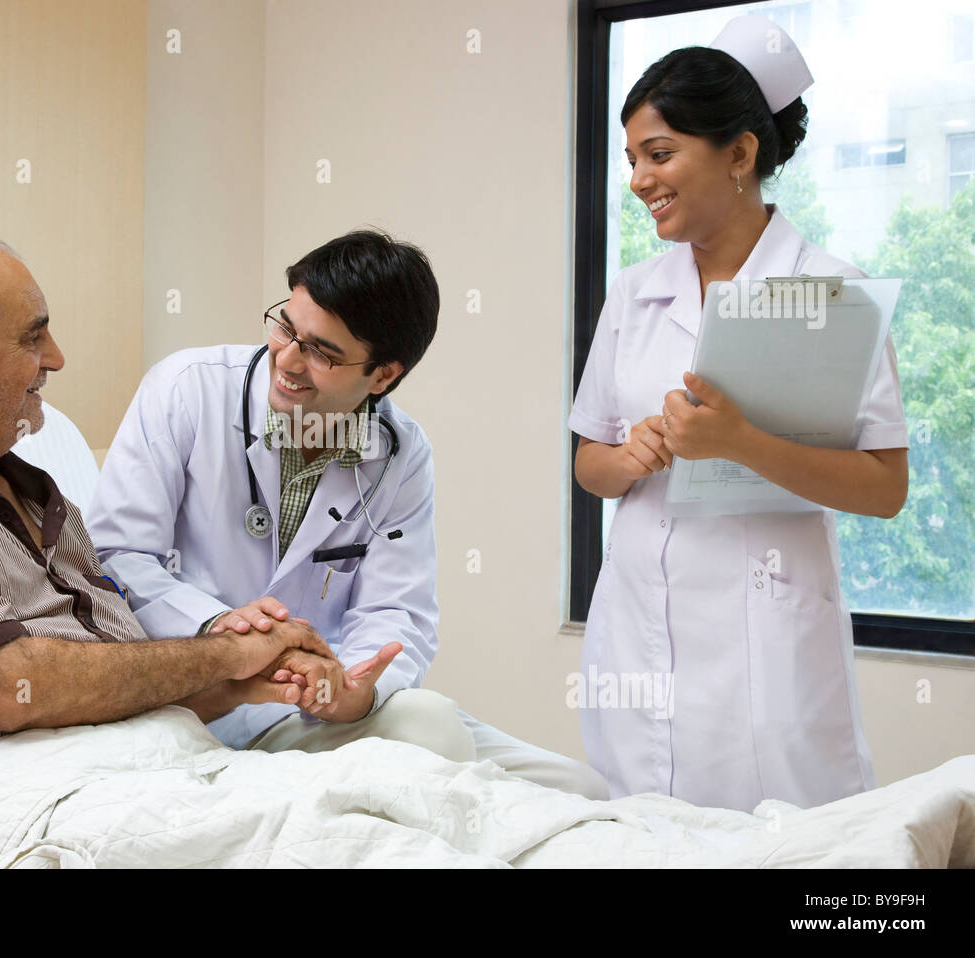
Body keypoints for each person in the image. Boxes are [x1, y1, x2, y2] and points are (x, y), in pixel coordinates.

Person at [0, 233, 352, 856]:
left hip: (117, 779)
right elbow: (11, 689)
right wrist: (221, 656)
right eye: (31, 337)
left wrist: (245, 678)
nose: (56, 358)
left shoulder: (49, 508)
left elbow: (106, 690)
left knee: (382, 803)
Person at [87, 229, 609, 798]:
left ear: (383, 375)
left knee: (579, 786)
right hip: (207, 700)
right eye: (287, 327)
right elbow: (117, 556)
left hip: (319, 708)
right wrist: (221, 627)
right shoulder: (186, 391)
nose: (286, 360)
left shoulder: (400, 454)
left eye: (321, 353)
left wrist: (354, 688)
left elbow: (396, 610)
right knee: (430, 730)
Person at [570, 16, 908, 810]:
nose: (640, 180)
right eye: (632, 161)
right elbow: (590, 462)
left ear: (741, 155)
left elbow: (884, 489)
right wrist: (634, 456)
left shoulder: (831, 292)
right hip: (637, 621)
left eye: (659, 155)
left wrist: (740, 442)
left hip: (768, 633)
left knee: (788, 848)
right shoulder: (634, 292)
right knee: (638, 835)